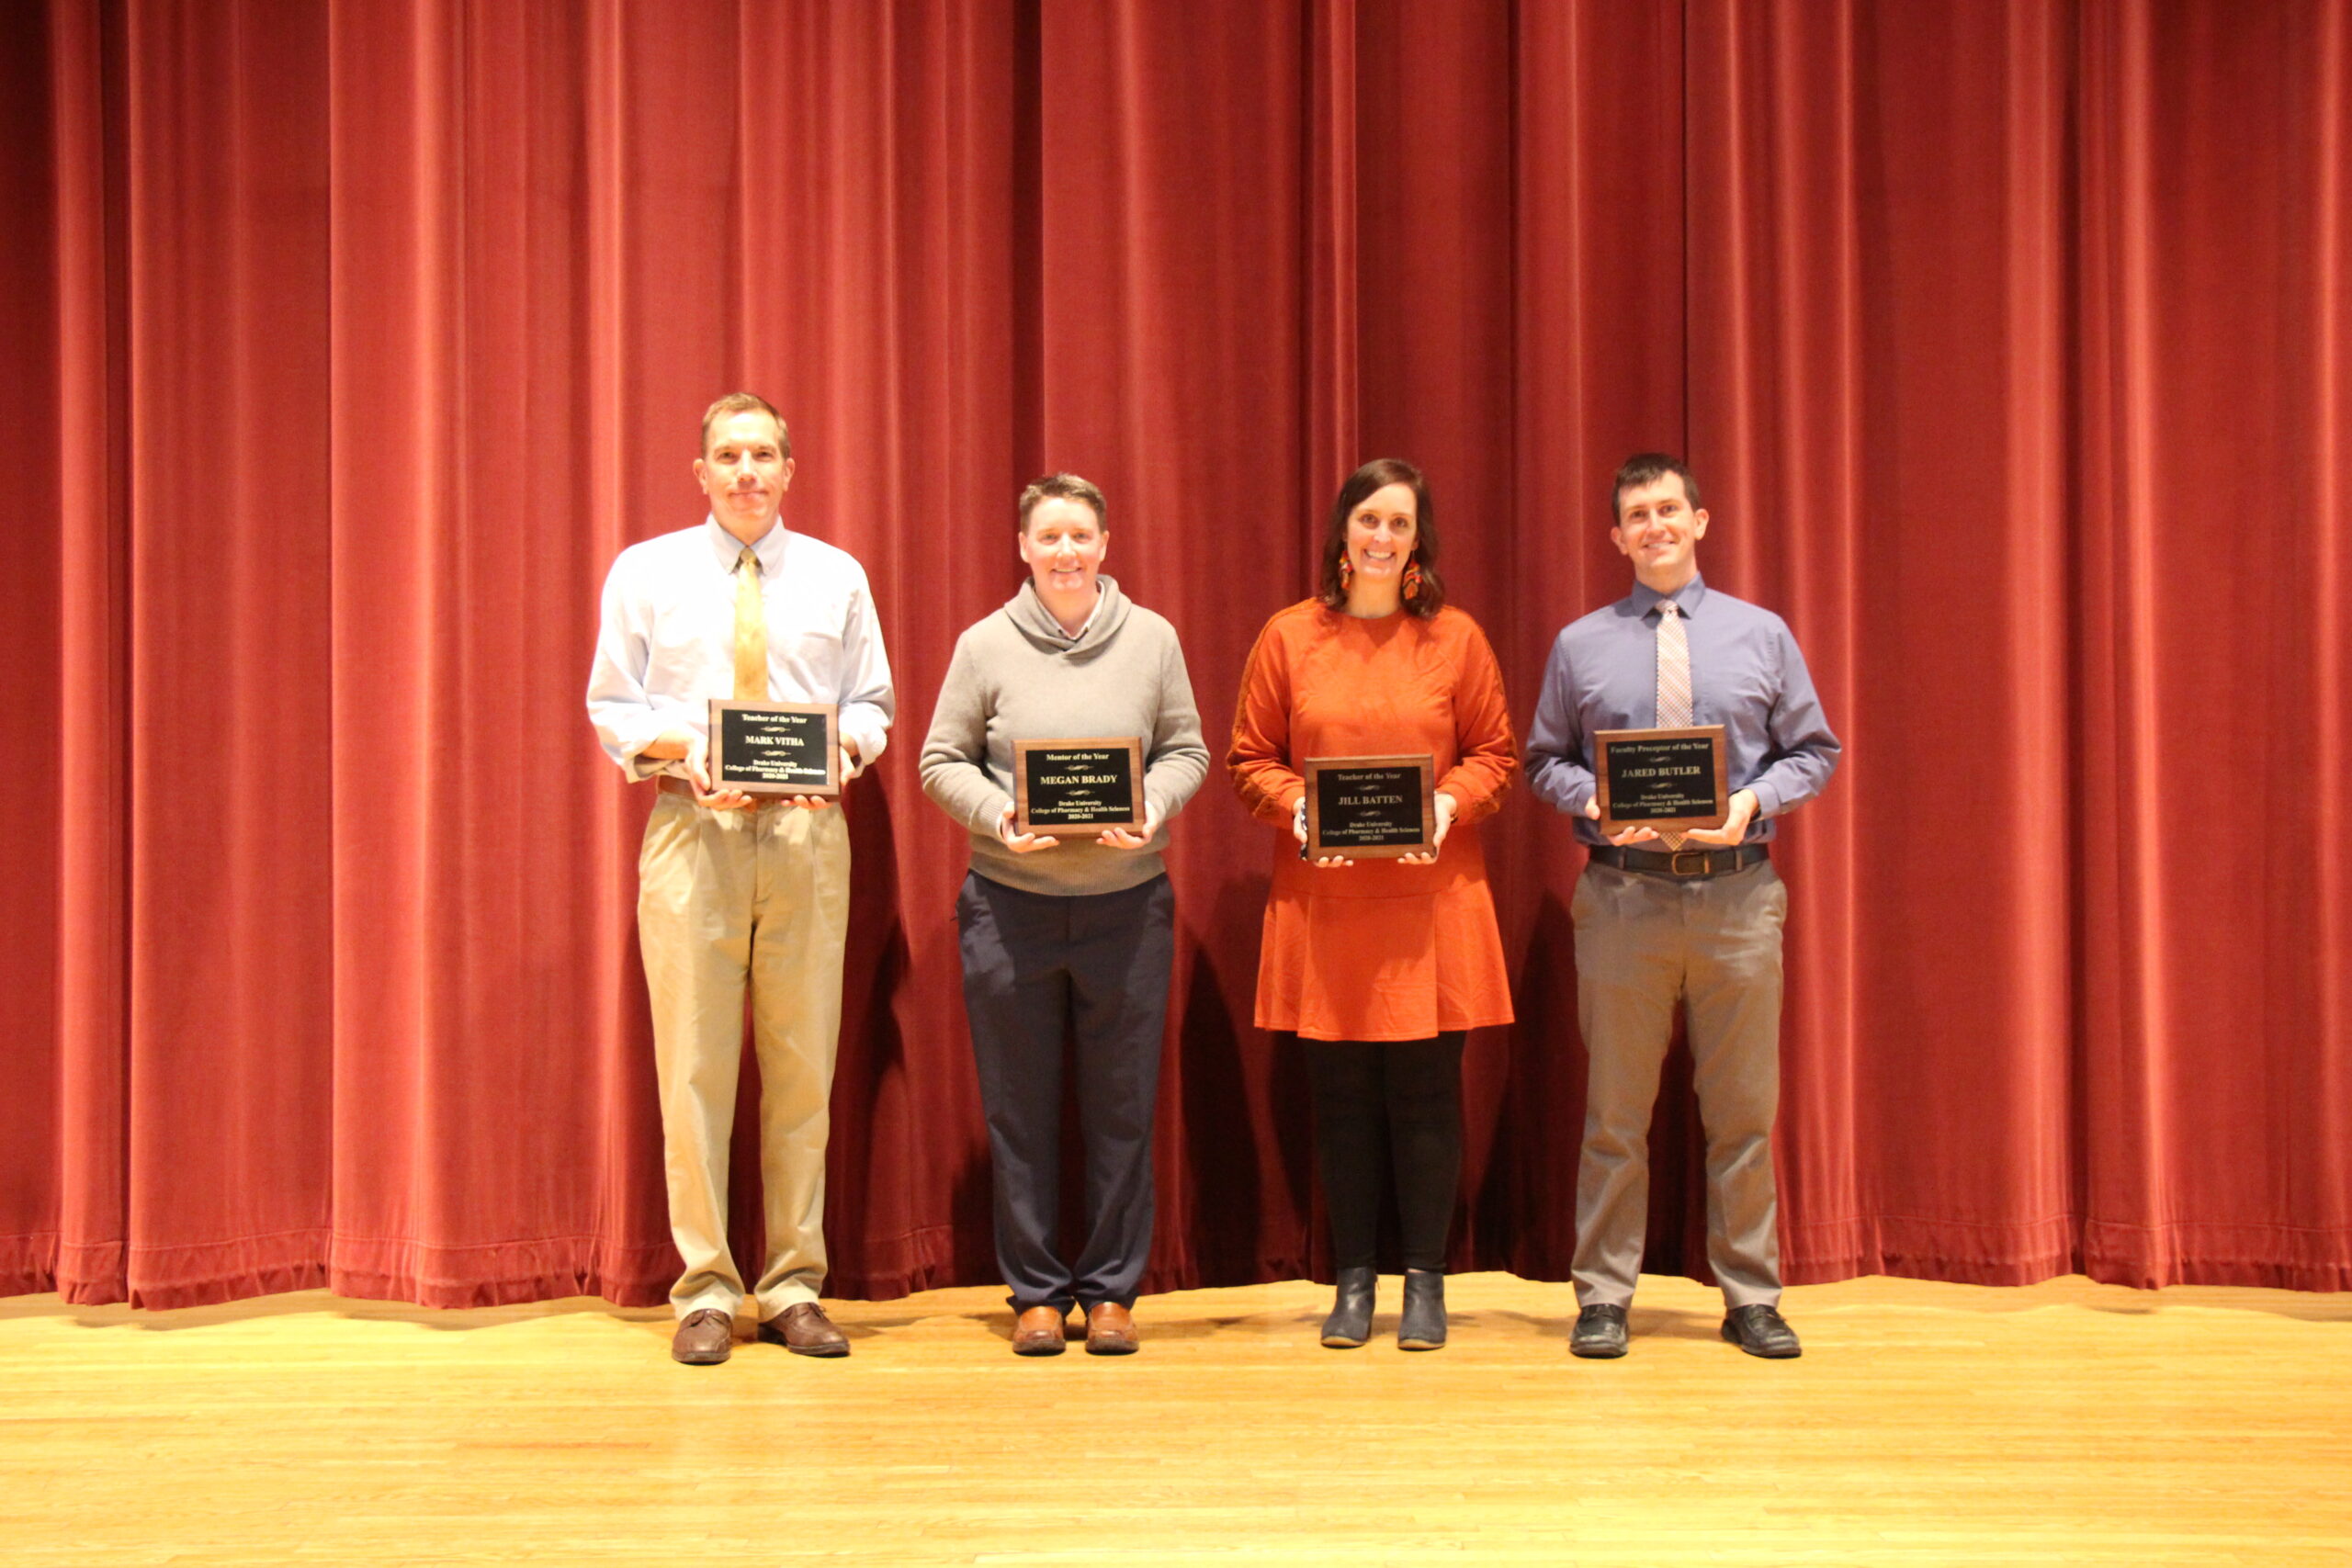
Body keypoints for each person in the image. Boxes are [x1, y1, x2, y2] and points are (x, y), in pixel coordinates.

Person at [585, 392, 894, 1365]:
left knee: (803, 1070)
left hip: (808, 841)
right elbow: (613, 707)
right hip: (693, 832)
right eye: (729, 455)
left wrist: (841, 750)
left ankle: (794, 1282)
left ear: (790, 471)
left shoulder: (838, 576)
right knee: (693, 1070)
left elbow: (872, 702)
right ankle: (707, 1289)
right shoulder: (646, 572)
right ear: (702, 472)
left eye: (764, 454)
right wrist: (685, 748)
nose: (748, 471)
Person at [1524, 453, 1839, 1360]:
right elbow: (1546, 759)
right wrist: (1594, 804)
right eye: (1636, 514)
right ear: (1616, 537)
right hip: (1622, 904)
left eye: (1669, 509)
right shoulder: (1579, 644)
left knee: (1740, 1113)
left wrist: (1751, 802)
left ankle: (1750, 1294)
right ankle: (1604, 1296)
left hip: (1738, 899)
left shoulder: (1762, 634)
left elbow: (1812, 752)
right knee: (1615, 1117)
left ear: (1700, 522)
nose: (1654, 526)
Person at [1227, 458, 1517, 1351]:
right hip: (1329, 909)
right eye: (1368, 521)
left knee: (1429, 1099)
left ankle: (1423, 1281)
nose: (1382, 538)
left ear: (1418, 538)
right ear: (1341, 535)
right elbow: (1249, 761)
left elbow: (1496, 756)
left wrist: (1444, 803)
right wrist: (1298, 807)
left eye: (1399, 523)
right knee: (1343, 1102)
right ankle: (1353, 1279)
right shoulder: (1285, 638)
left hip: (1434, 904)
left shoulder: (1457, 640)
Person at [919, 474, 1207, 1357]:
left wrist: (1152, 808)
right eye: (1049, 538)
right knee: (1020, 1109)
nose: (1066, 553)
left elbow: (1187, 748)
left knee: (1122, 1108)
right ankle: (1038, 1292)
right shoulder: (982, 646)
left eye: (1080, 535)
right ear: (1024, 548)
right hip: (1010, 910)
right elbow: (940, 759)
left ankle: (1113, 1291)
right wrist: (998, 815)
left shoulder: (1153, 638)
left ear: (1106, 544)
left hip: (1129, 909)